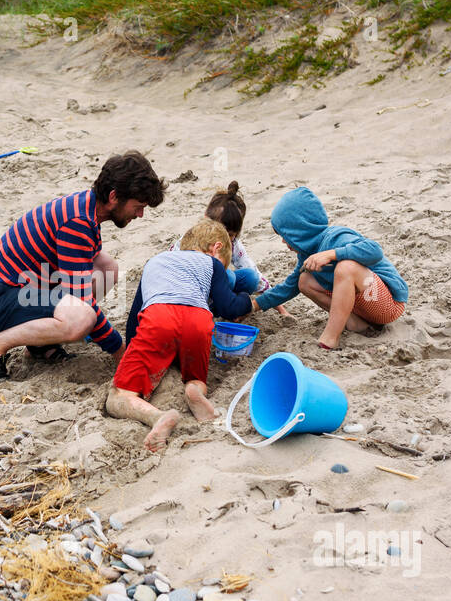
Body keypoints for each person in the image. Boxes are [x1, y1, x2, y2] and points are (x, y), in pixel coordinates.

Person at [0, 150, 166, 379]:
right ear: (114, 197)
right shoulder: (77, 223)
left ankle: (40, 345)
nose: (140, 214)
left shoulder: (87, 206)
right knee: (81, 318)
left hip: (25, 288)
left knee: (106, 268)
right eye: (138, 206)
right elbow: (82, 300)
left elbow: (79, 278)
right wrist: (119, 349)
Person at [108, 218, 255, 452]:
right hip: (198, 320)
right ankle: (194, 392)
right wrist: (250, 302)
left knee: (116, 398)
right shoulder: (212, 263)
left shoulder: (155, 261)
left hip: (158, 316)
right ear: (216, 248)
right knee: (196, 378)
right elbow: (229, 307)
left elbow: (134, 319)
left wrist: (132, 354)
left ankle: (157, 417)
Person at [251, 187, 408, 349]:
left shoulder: (336, 237)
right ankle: (354, 323)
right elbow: (289, 287)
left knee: (346, 268)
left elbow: (375, 251)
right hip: (361, 308)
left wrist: (331, 254)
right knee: (304, 280)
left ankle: (331, 337)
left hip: (387, 305)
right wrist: (254, 306)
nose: (283, 241)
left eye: (285, 235)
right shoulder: (307, 253)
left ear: (300, 229)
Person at [170, 180, 288, 317]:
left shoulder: (234, 245)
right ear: (206, 219)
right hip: (188, 294)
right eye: (219, 230)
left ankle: (224, 306)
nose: (223, 238)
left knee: (251, 277)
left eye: (230, 235)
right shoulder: (191, 239)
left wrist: (282, 310)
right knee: (228, 277)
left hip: (215, 291)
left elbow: (257, 276)